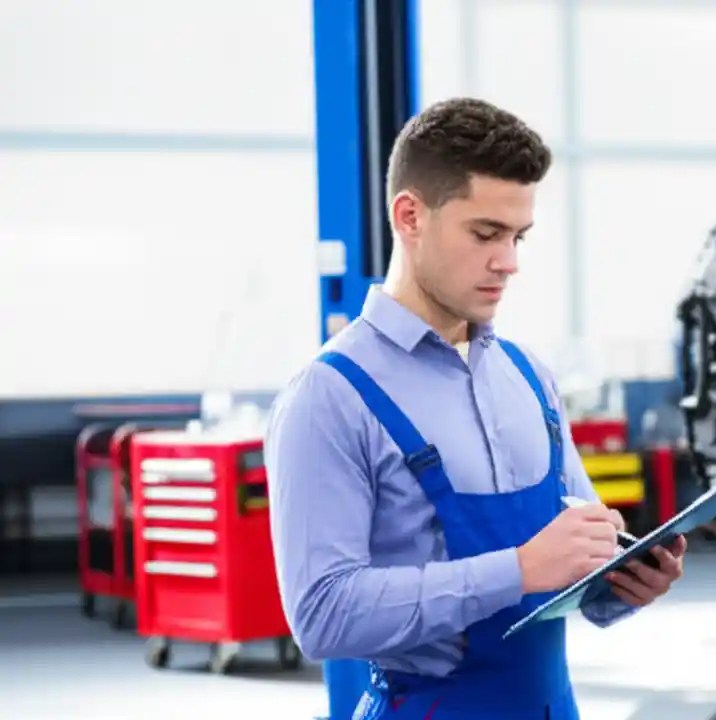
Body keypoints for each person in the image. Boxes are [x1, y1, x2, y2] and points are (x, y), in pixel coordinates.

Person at [264, 97, 687, 720]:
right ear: (409, 216)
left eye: (518, 237)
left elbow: (572, 562)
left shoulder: (528, 376)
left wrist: (621, 583)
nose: (508, 262)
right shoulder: (329, 396)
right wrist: (516, 570)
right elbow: (322, 615)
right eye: (485, 234)